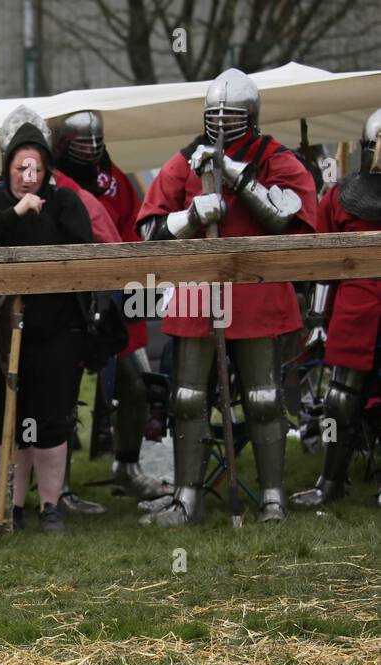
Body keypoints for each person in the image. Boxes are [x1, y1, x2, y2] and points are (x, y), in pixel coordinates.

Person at [138, 68, 318, 526]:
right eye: (214, 114)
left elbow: (292, 215)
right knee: (186, 397)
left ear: (251, 116)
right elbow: (149, 232)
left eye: (232, 115)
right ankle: (187, 497)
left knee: (262, 397)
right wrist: (194, 213)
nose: (221, 123)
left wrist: (242, 182)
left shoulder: (273, 157)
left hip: (256, 290)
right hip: (199, 294)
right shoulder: (186, 161)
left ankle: (273, 497)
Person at [0, 113, 94, 533]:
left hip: (54, 334)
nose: (28, 176)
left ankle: (49, 506)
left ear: (48, 169)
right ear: (7, 168)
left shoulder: (67, 202)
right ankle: (9, 507)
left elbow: (80, 252)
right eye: (20, 168)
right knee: (8, 419)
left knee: (47, 420)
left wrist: (38, 218)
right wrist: (16, 212)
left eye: (36, 168)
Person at [53, 110, 171, 501]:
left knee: (135, 386)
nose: (90, 149)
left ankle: (127, 467)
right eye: (80, 142)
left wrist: (136, 298)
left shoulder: (117, 182)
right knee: (61, 393)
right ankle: (60, 486)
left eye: (95, 140)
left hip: (116, 303)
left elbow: (133, 238)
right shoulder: (48, 182)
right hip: (66, 304)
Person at [292, 107, 381, 507]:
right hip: (355, 312)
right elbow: (325, 266)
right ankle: (329, 484)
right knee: (339, 402)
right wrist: (316, 320)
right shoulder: (339, 197)